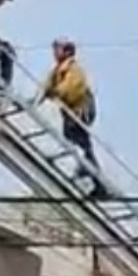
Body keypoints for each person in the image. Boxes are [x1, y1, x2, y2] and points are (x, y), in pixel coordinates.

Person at [38, 38, 102, 195]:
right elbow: (47, 86)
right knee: (75, 140)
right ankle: (91, 176)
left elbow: (71, 87)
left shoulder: (74, 69)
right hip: (69, 112)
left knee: (78, 139)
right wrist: (41, 97)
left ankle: (90, 173)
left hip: (81, 109)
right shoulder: (57, 71)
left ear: (67, 52)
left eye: (57, 49)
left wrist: (57, 92)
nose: (54, 53)